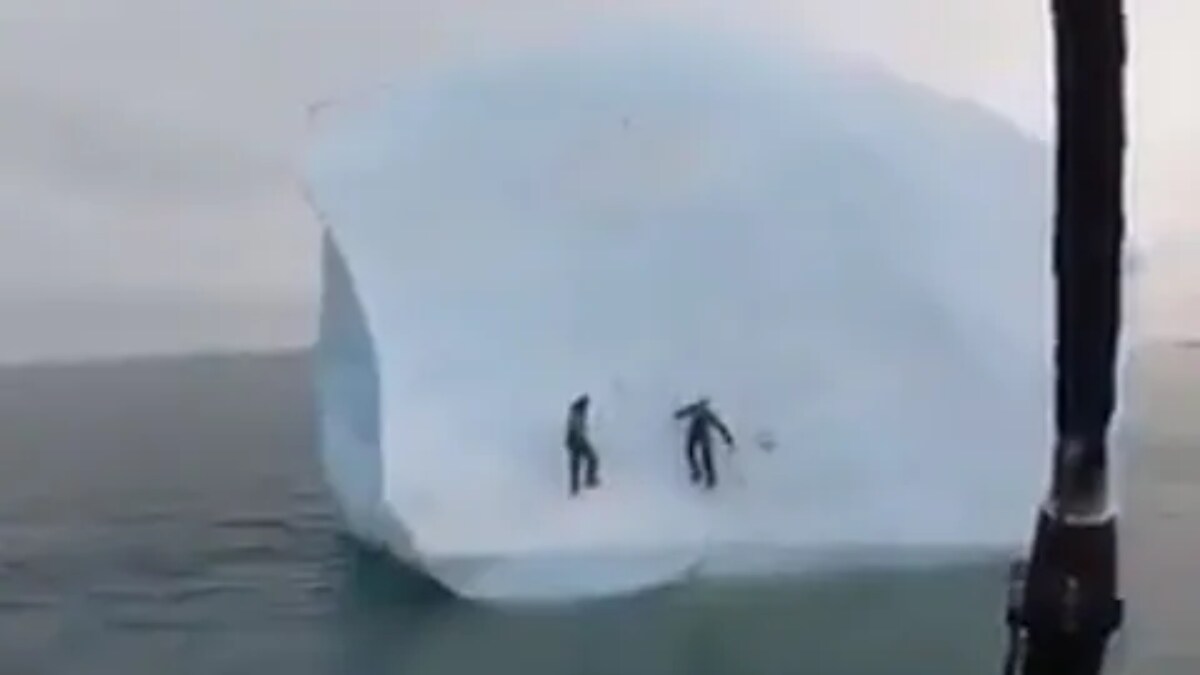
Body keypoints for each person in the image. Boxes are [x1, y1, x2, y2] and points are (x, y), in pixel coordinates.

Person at [673, 397, 735, 489]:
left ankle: (699, 473)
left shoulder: (696, 409)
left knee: (691, 452)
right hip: (702, 435)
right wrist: (728, 439)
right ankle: (708, 477)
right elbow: (720, 426)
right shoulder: (707, 413)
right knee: (704, 457)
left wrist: (677, 415)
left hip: (696, 434)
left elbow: (684, 412)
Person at [565, 394, 600, 496]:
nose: (587, 408)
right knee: (582, 462)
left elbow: (580, 426)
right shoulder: (576, 411)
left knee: (590, 460)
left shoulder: (579, 411)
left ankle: (585, 482)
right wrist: (579, 436)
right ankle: (581, 485)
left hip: (577, 440)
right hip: (575, 440)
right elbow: (575, 426)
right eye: (586, 405)